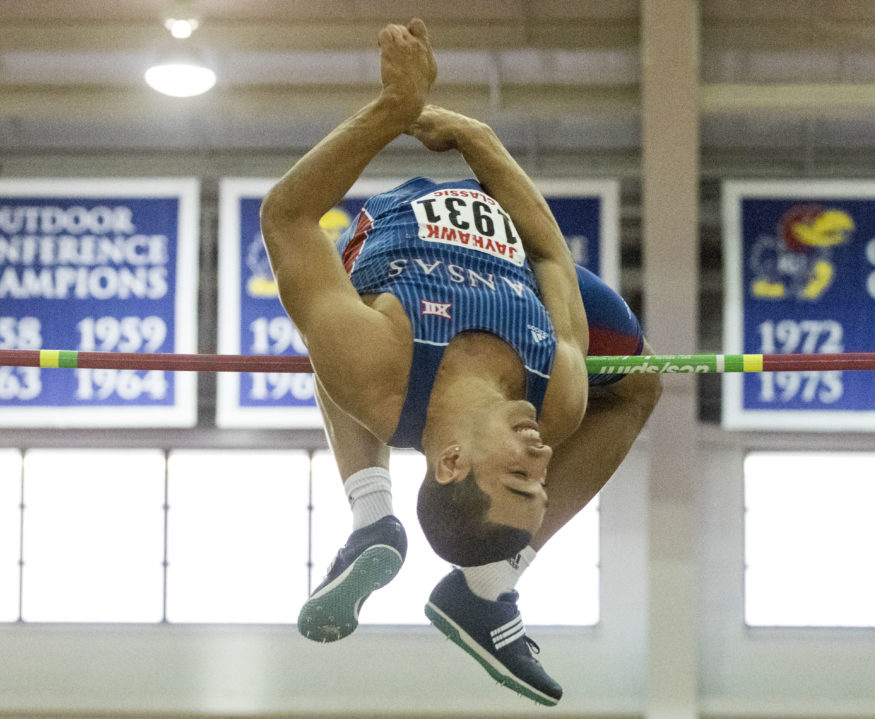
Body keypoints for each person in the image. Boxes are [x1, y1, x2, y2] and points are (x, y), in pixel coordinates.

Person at [259, 19, 660, 706]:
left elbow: (287, 216)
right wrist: (479, 139)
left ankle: (371, 513)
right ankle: (491, 585)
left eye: (519, 475)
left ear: (450, 463)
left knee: (332, 344)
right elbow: (552, 257)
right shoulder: (560, 398)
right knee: (642, 381)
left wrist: (397, 110)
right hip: (518, 274)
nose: (542, 456)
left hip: (401, 255)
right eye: (542, 481)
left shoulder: (378, 369)